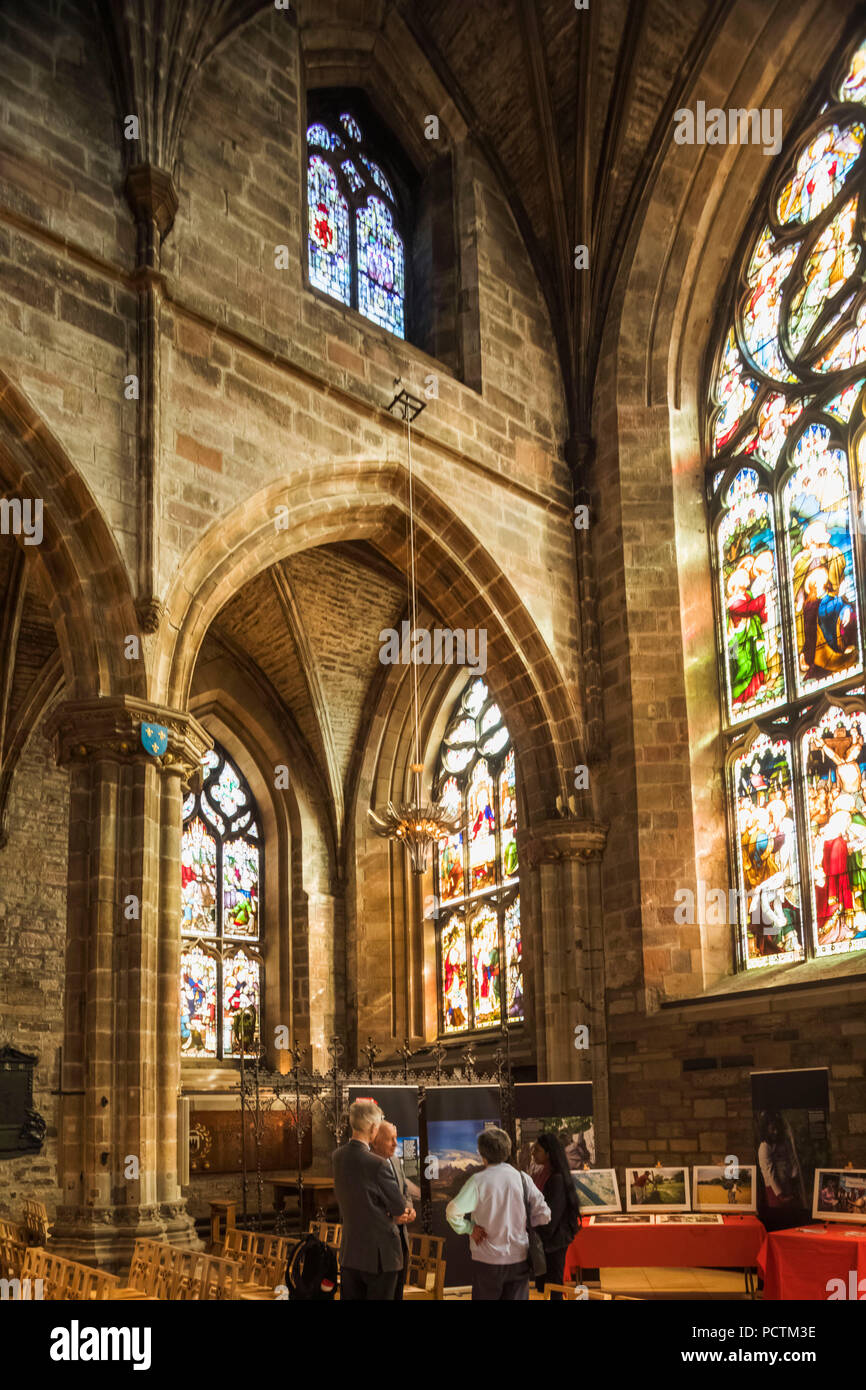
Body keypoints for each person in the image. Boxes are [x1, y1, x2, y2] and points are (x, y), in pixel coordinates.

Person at [445, 1126, 550, 1301]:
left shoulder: (478, 1181)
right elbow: (544, 1214)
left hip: (486, 1260)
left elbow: (452, 1211)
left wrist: (469, 1228)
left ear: (482, 1154)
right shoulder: (523, 1178)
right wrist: (523, 1222)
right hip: (519, 1258)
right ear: (507, 1150)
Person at [331, 1099, 411, 1300]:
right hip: (380, 1257)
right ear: (374, 1128)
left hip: (351, 1253)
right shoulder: (377, 1164)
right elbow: (398, 1206)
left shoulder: (338, 1156)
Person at [529, 1133, 581, 1299]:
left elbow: (552, 1216)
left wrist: (540, 1236)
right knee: (550, 1284)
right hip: (548, 1238)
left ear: (548, 1153)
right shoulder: (544, 1174)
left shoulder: (555, 1179)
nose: (533, 1153)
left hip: (554, 1241)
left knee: (554, 1285)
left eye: (537, 1150)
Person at [370, 1120, 415, 1300]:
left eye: (396, 1138)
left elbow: (405, 1192)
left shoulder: (396, 1161)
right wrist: (392, 1217)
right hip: (380, 1247)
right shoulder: (368, 1165)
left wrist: (409, 1209)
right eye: (391, 1139)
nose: (396, 1143)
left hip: (401, 1241)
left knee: (397, 1293)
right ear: (375, 1140)